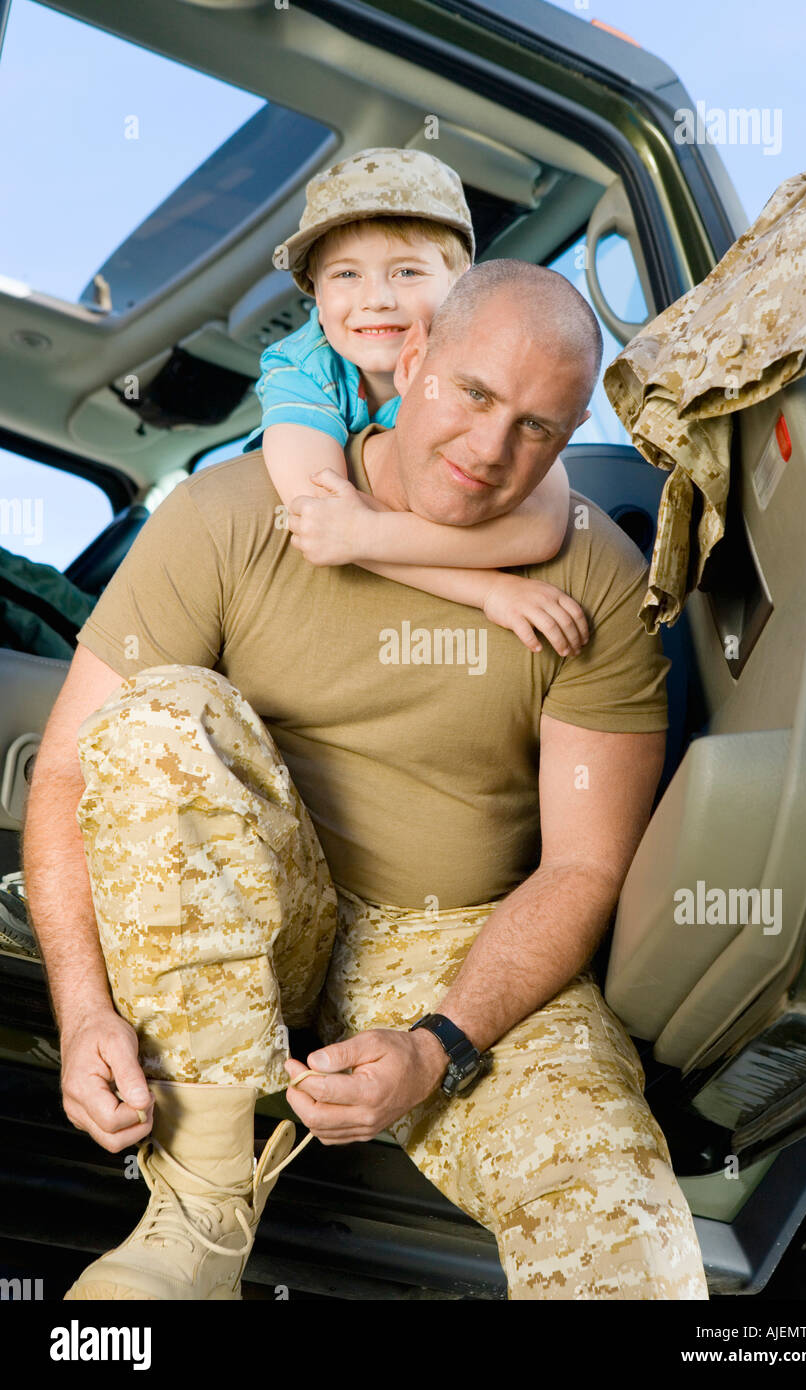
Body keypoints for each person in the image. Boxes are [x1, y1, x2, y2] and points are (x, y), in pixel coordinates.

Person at [22, 258, 709, 1300]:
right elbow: (70, 766)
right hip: (247, 906)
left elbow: (580, 867)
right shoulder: (233, 512)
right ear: (415, 353)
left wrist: (438, 1046)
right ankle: (202, 1205)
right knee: (159, 717)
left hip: (454, 939)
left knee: (620, 1213)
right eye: (474, 394)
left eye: (537, 428)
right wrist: (81, 1013)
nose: (490, 450)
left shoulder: (594, 580)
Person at [246, 145, 589, 659]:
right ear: (315, 292)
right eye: (345, 274)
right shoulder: (301, 371)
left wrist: (369, 531)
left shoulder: (488, 388)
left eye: (406, 272)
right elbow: (325, 524)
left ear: (461, 284)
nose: (376, 298)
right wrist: (488, 589)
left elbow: (540, 529)